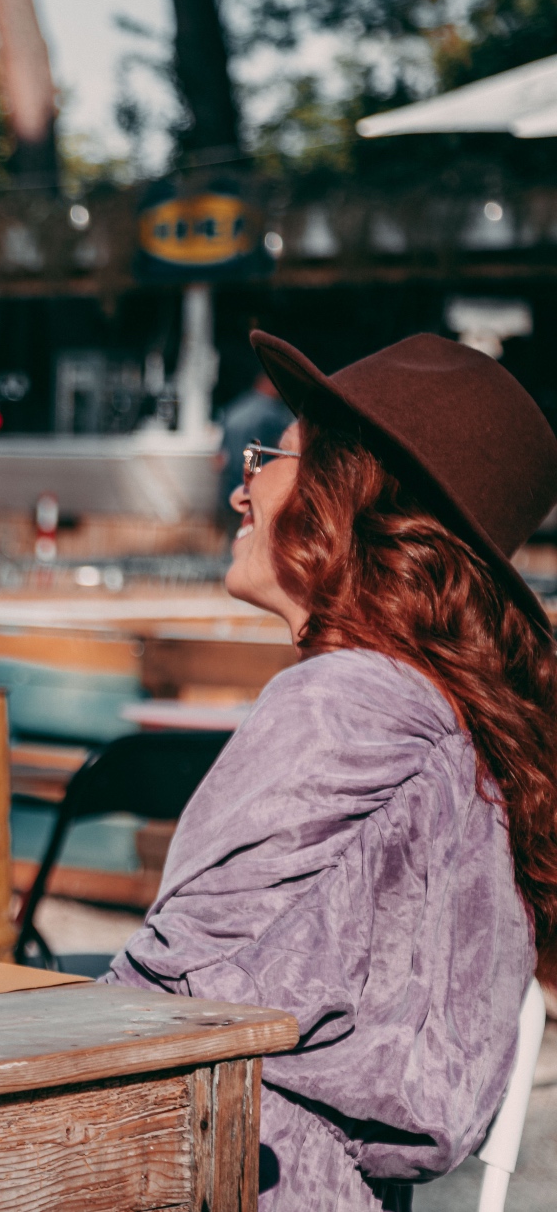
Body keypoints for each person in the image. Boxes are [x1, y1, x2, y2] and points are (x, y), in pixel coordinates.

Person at [106, 329, 557, 1210]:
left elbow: (150, 1008)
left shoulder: (342, 706)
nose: (242, 485)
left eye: (272, 455)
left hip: (227, 1174)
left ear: (344, 498)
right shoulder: (452, 721)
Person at [214, 372, 293, 523]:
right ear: (266, 383)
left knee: (235, 538)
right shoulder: (272, 414)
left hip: (231, 489)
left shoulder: (234, 409)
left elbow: (219, 459)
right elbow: (284, 450)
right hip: (260, 489)